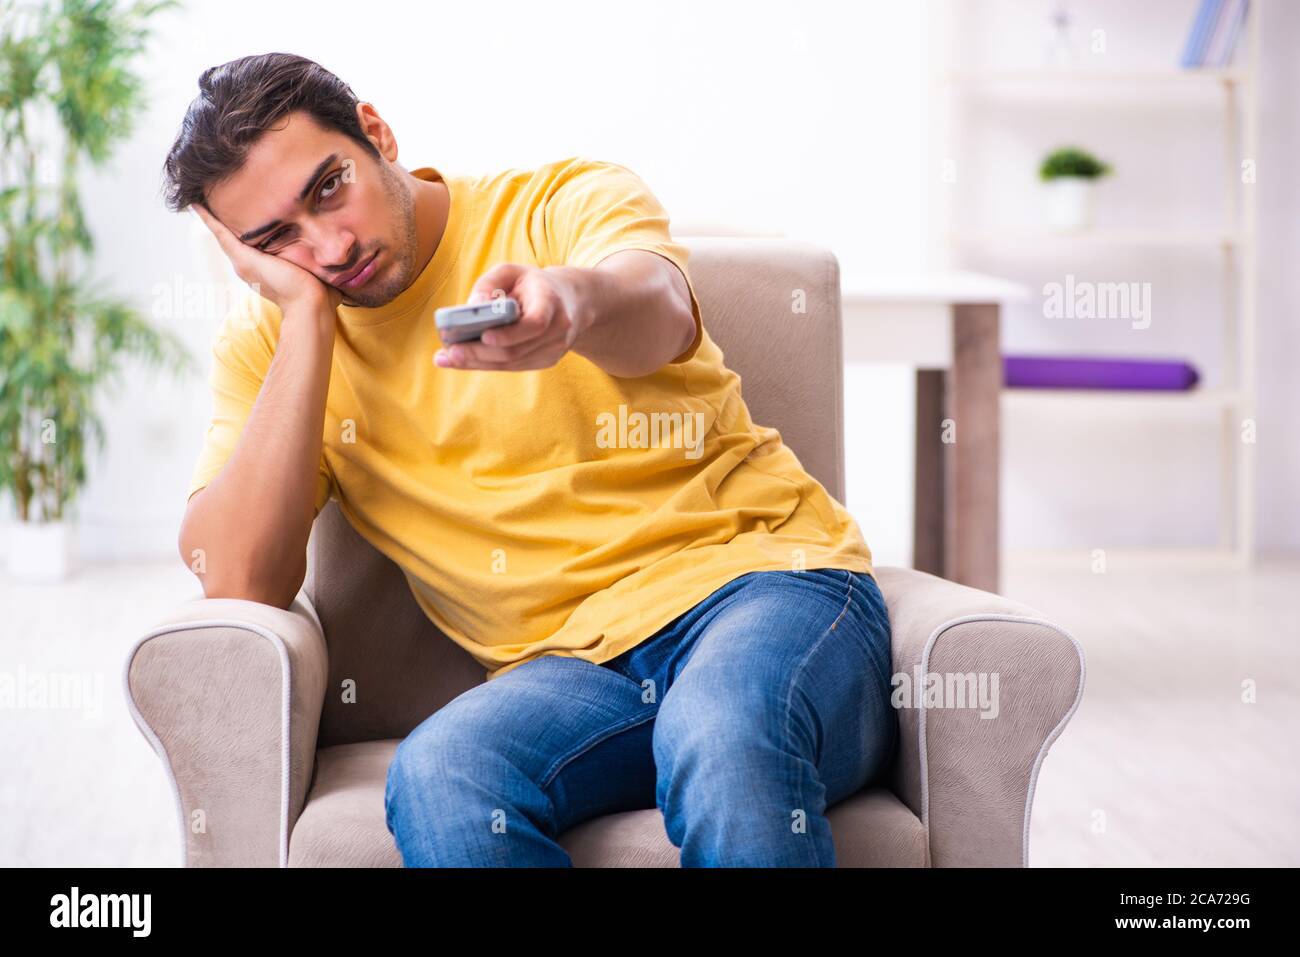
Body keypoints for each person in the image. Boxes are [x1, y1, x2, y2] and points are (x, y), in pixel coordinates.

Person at [163, 51, 897, 867]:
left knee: (724, 725)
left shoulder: (558, 201)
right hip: (575, 675)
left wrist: (571, 308)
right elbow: (237, 578)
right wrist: (304, 319)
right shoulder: (272, 345)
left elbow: (655, 306)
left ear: (376, 133)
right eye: (277, 239)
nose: (330, 247)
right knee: (443, 771)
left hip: (765, 591)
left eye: (329, 187)